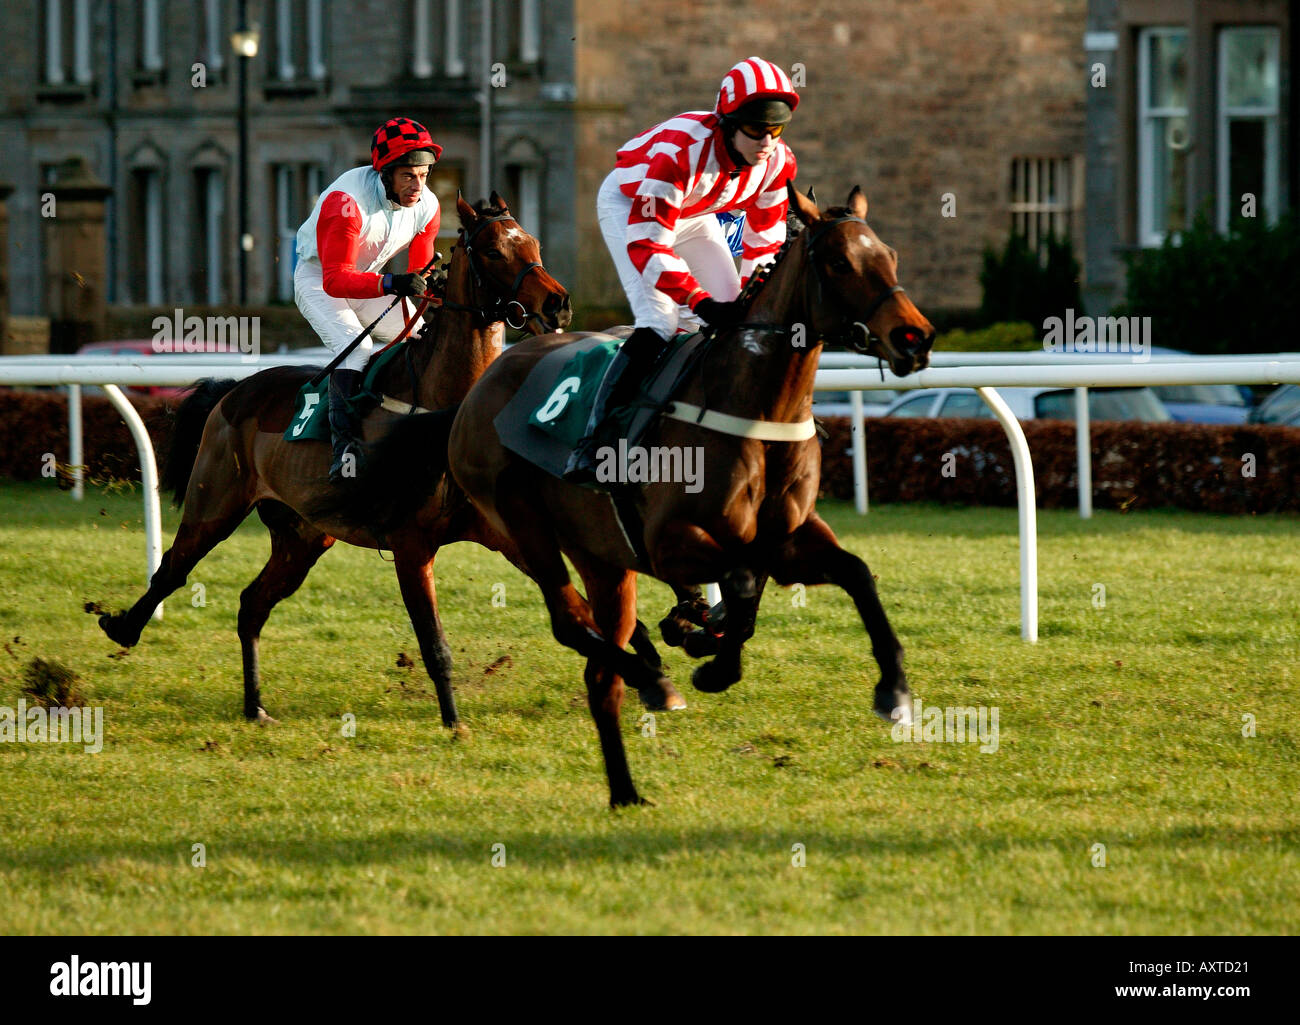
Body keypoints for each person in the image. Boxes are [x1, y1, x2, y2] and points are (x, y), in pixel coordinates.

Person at [563, 57, 800, 483]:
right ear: (727, 123)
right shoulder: (682, 155)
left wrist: (748, 299)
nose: (766, 141)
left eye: (776, 129)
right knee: (661, 320)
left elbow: (764, 244)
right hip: (632, 208)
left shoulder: (779, 163)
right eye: (755, 129)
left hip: (694, 213)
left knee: (740, 319)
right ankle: (596, 444)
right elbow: (649, 244)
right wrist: (698, 300)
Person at [294, 117, 443, 482]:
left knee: (423, 337)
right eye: (408, 176)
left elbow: (420, 274)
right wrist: (393, 282)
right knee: (355, 349)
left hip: (373, 280)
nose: (417, 187)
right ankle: (344, 450)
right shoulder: (345, 203)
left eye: (423, 175)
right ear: (386, 173)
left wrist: (433, 289)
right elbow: (336, 280)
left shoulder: (429, 206)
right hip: (320, 280)